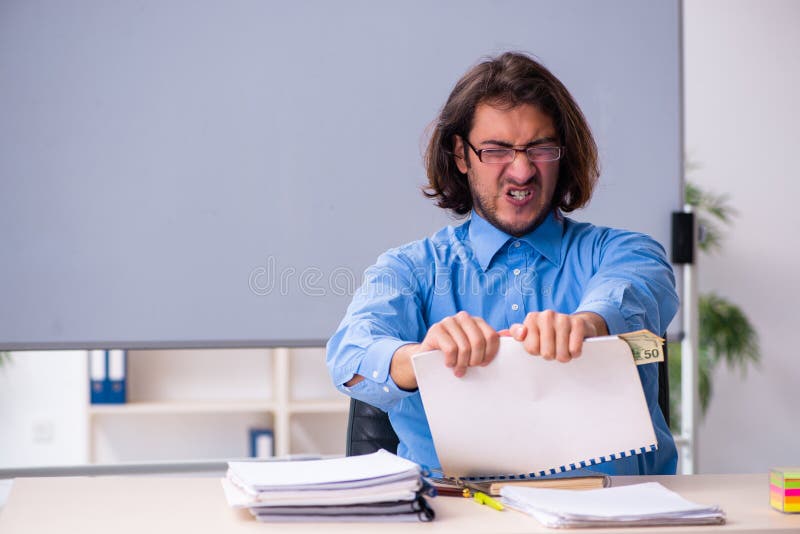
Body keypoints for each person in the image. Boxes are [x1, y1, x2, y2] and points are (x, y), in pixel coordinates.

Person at [326, 51, 679, 476]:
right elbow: (349, 353)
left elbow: (634, 289)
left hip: (609, 515)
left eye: (540, 148)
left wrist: (587, 325)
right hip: (455, 516)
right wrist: (421, 356)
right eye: (496, 150)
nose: (522, 170)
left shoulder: (625, 252)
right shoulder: (409, 268)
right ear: (461, 155)